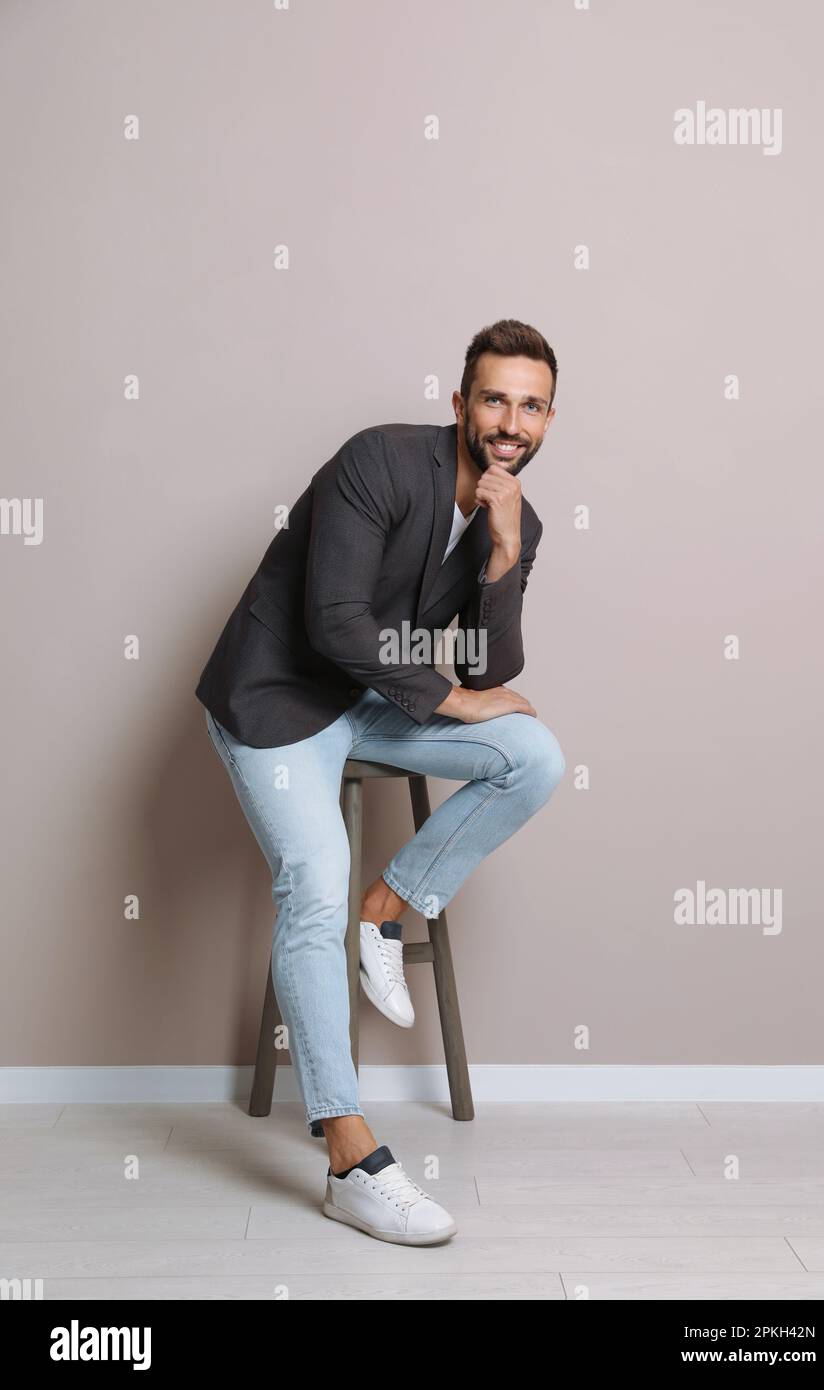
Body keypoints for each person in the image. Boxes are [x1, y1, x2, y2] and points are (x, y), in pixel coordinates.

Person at [195, 318, 566, 1244]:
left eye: (530, 407)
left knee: (535, 757)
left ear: (549, 421)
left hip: (371, 700)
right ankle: (350, 1158)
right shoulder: (380, 461)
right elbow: (334, 622)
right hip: (278, 699)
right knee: (312, 886)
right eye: (495, 399)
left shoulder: (516, 517)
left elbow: (489, 668)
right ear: (460, 403)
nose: (510, 422)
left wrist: (504, 557)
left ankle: (387, 908)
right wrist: (453, 699)